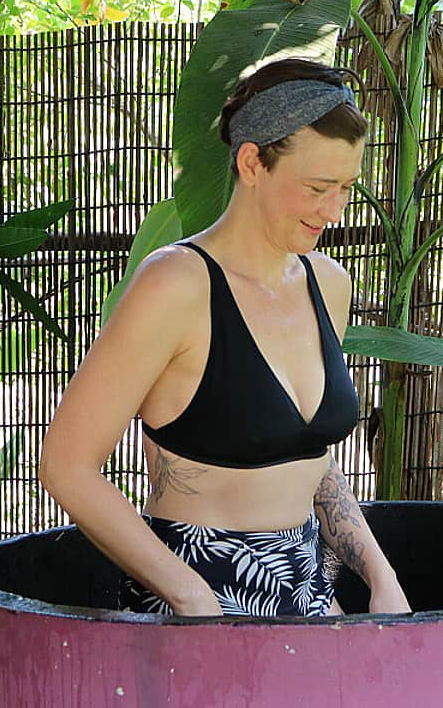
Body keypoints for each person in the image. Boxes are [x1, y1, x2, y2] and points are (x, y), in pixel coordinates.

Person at [38, 57, 411, 617]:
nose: (333, 210)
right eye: (317, 188)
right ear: (252, 162)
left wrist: (379, 574)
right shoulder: (176, 284)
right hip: (198, 597)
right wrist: (190, 594)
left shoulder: (328, 283)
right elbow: (66, 464)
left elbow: (305, 460)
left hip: (311, 592)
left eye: (346, 189)